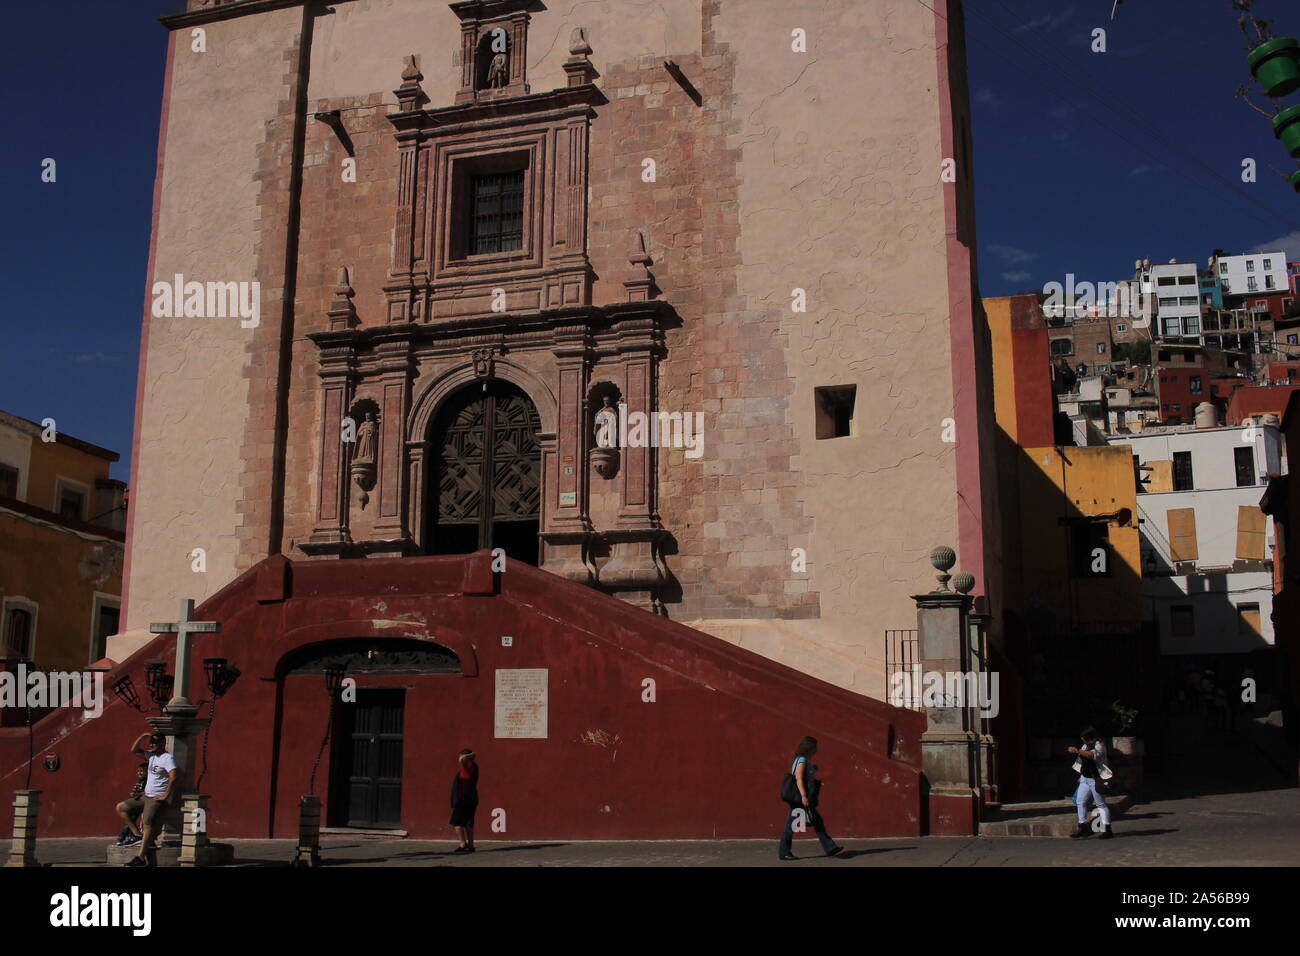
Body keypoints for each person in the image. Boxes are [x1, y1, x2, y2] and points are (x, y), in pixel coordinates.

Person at [778, 736, 843, 860]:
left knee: (817, 821)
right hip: (800, 798)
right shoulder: (802, 760)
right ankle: (784, 852)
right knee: (791, 825)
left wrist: (813, 769)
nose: (816, 750)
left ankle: (830, 847)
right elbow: (799, 778)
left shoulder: (803, 760)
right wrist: (803, 796)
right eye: (815, 747)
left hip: (802, 798)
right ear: (809, 748)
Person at [124, 732, 176, 866]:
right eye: (151, 742)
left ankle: (140, 857)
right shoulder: (151, 755)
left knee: (147, 825)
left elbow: (173, 776)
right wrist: (142, 737)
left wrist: (166, 795)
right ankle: (137, 835)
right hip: (146, 796)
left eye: (155, 742)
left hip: (156, 798)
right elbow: (134, 750)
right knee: (121, 808)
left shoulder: (167, 758)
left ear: (163, 743)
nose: (152, 744)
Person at [1067, 727, 1113, 840]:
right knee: (1080, 801)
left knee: (1101, 804)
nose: (1083, 741)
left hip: (1096, 779)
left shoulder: (1099, 745)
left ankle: (1107, 830)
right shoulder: (1085, 746)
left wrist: (1077, 751)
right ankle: (1082, 827)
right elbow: (1083, 760)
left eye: (1084, 738)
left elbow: (1092, 755)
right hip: (1085, 778)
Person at [449, 748, 479, 853]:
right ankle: (471, 845)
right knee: (468, 823)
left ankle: (462, 844)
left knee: (456, 822)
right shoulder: (474, 766)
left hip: (464, 798)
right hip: (472, 797)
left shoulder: (466, 765)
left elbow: (461, 760)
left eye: (461, 755)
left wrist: (465, 756)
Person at [114, 762, 148, 846]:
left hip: (139, 803)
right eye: (138, 771)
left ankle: (123, 837)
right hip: (134, 801)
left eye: (142, 771)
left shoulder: (147, 781)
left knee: (130, 820)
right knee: (130, 820)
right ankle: (129, 836)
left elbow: (147, 792)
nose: (139, 773)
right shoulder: (140, 781)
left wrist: (136, 794)